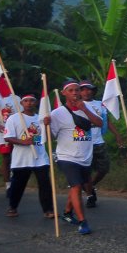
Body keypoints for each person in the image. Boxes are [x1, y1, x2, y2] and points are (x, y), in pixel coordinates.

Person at [47, 79, 103, 235]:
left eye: (77, 90)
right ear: (64, 93)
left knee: (79, 186)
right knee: (76, 186)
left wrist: (84, 109)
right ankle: (83, 222)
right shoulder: (57, 113)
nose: (74, 93)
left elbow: (99, 123)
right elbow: (51, 137)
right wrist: (47, 125)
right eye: (70, 90)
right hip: (67, 156)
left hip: (85, 156)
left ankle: (67, 212)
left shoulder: (87, 107)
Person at [4, 94, 53, 218]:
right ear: (21, 103)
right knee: (18, 185)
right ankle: (13, 207)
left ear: (35, 103)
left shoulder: (40, 119)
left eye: (32, 101)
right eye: (26, 101)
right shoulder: (14, 118)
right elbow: (8, 137)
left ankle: (48, 210)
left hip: (40, 157)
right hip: (21, 159)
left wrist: (47, 126)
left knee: (45, 184)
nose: (29, 103)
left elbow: (47, 138)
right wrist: (23, 142)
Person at [78, 81, 111, 208]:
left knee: (104, 168)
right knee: (86, 171)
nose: (86, 92)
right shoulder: (76, 105)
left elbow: (106, 121)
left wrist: (117, 135)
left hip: (98, 141)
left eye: (89, 89)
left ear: (93, 91)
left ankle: (90, 186)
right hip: (84, 142)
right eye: (83, 89)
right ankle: (90, 196)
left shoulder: (100, 104)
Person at [0, 87, 22, 187]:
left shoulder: (16, 98)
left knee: (17, 156)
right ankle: (8, 183)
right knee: (6, 157)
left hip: (16, 132)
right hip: (2, 134)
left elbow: (22, 114)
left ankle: (16, 179)